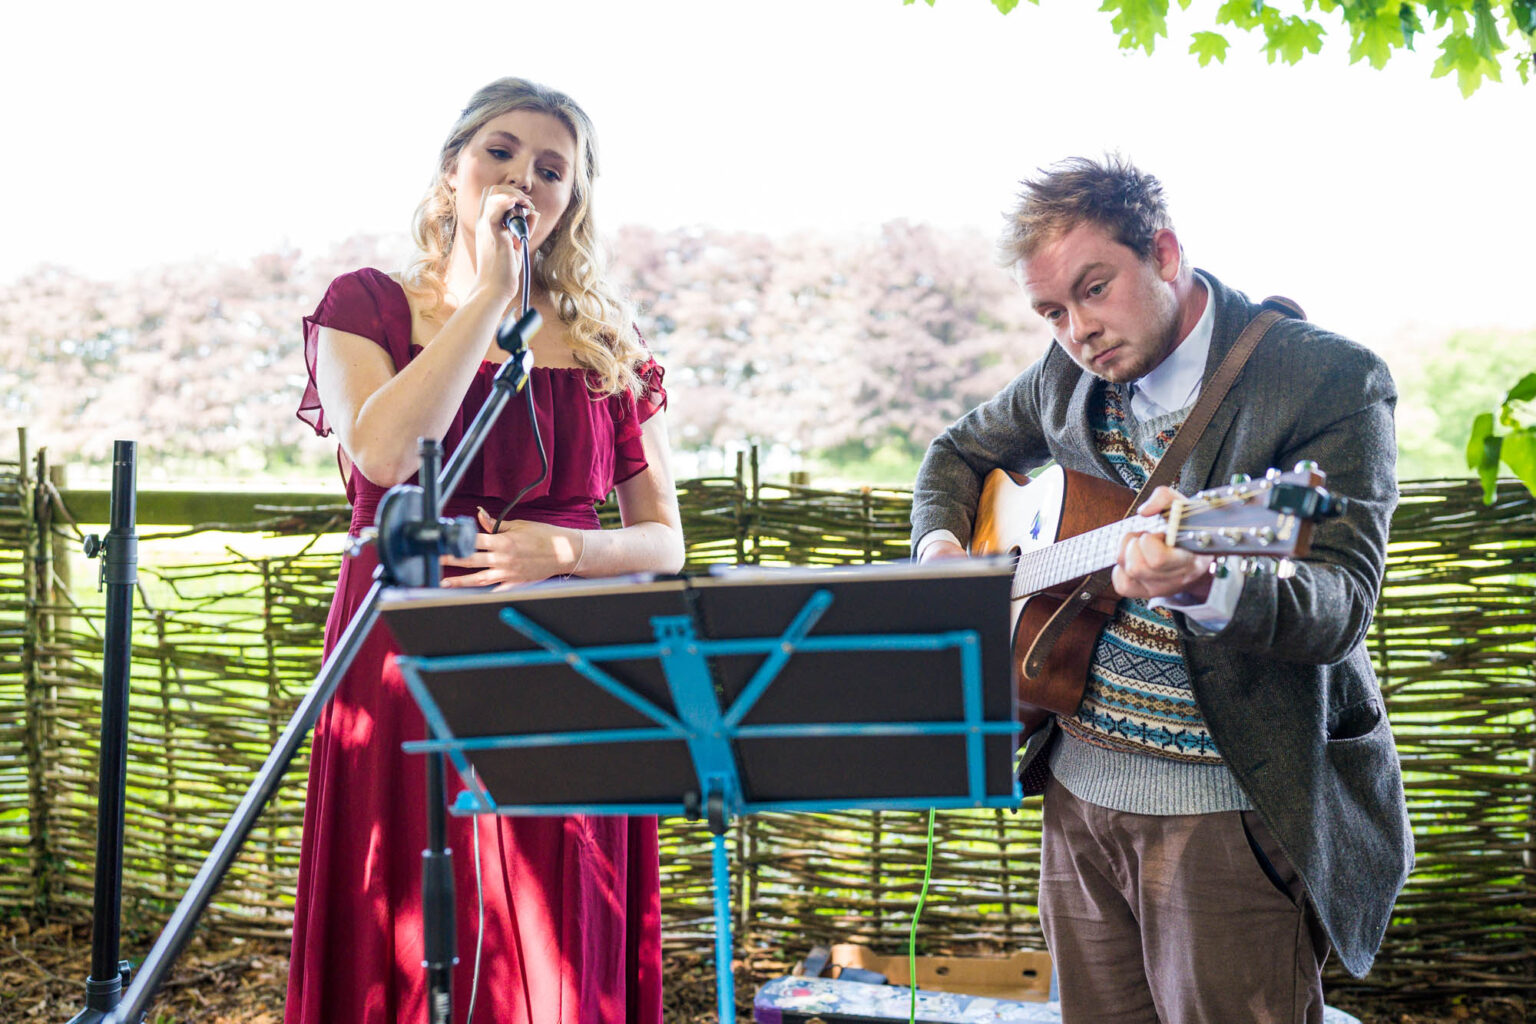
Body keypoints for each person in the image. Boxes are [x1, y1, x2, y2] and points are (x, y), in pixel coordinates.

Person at [910, 156, 1412, 1023]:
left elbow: (1338, 602)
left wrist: (1205, 584)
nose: (1077, 330)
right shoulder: (1065, 375)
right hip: (1080, 802)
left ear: (1166, 252)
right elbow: (954, 454)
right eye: (1052, 311)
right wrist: (943, 547)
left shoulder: (1328, 380)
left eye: (1094, 289)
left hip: (1229, 813)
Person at [288, 77, 683, 1024]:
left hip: (575, 654)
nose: (524, 179)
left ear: (572, 202)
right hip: (405, 653)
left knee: (550, 935)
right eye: (501, 153)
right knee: (416, 920)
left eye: (553, 169)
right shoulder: (368, 304)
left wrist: (567, 551)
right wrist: (490, 300)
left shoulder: (602, 340)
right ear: (454, 173)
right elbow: (383, 453)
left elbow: (664, 541)